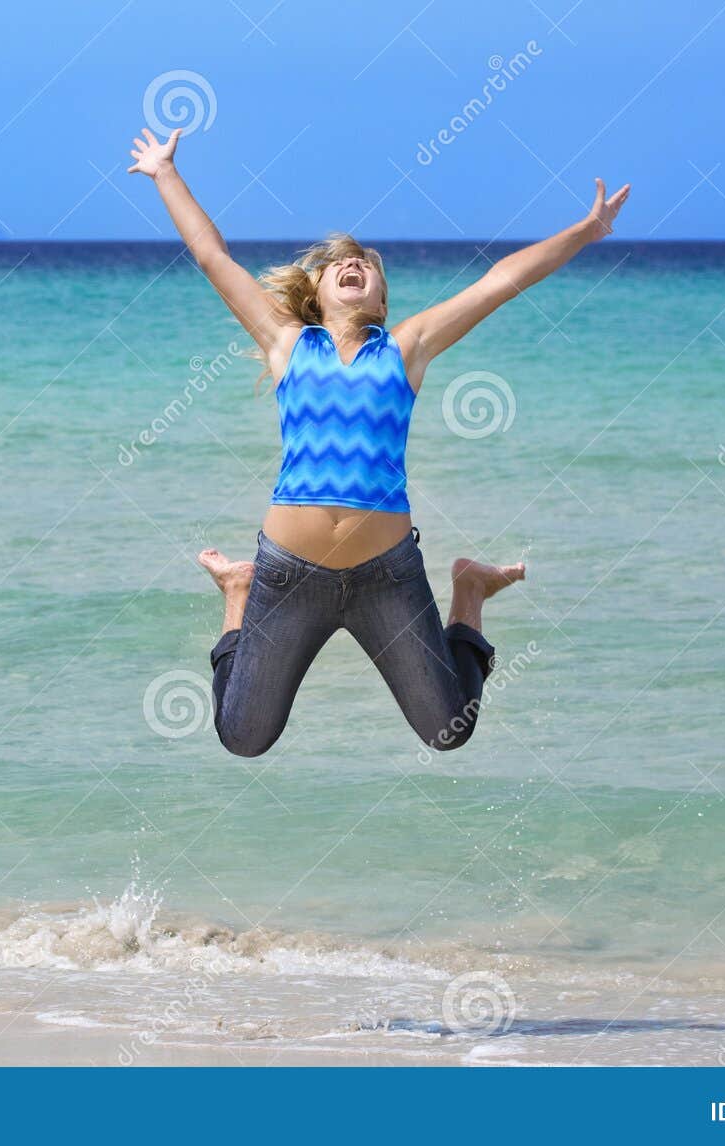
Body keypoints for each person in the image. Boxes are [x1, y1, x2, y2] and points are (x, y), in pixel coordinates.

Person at [129, 126, 630, 756]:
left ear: (382, 298)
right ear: (314, 293)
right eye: (341, 262)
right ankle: (237, 591)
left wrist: (585, 232)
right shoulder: (287, 343)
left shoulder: (404, 349)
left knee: (448, 730)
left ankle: (470, 589)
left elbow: (499, 283)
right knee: (242, 737)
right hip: (287, 574)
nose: (353, 264)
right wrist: (165, 173)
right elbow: (212, 257)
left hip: (387, 577)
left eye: (366, 264)